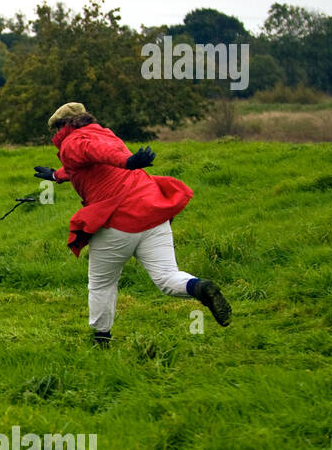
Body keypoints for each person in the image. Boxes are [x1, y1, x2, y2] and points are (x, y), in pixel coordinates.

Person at [32, 102, 231, 346]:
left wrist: (127, 162)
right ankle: (200, 287)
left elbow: (91, 151)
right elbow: (86, 162)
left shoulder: (73, 142)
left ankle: (101, 339)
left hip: (119, 221)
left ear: (63, 126)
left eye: (56, 129)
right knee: (167, 277)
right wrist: (54, 175)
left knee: (102, 284)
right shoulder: (105, 133)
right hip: (152, 213)